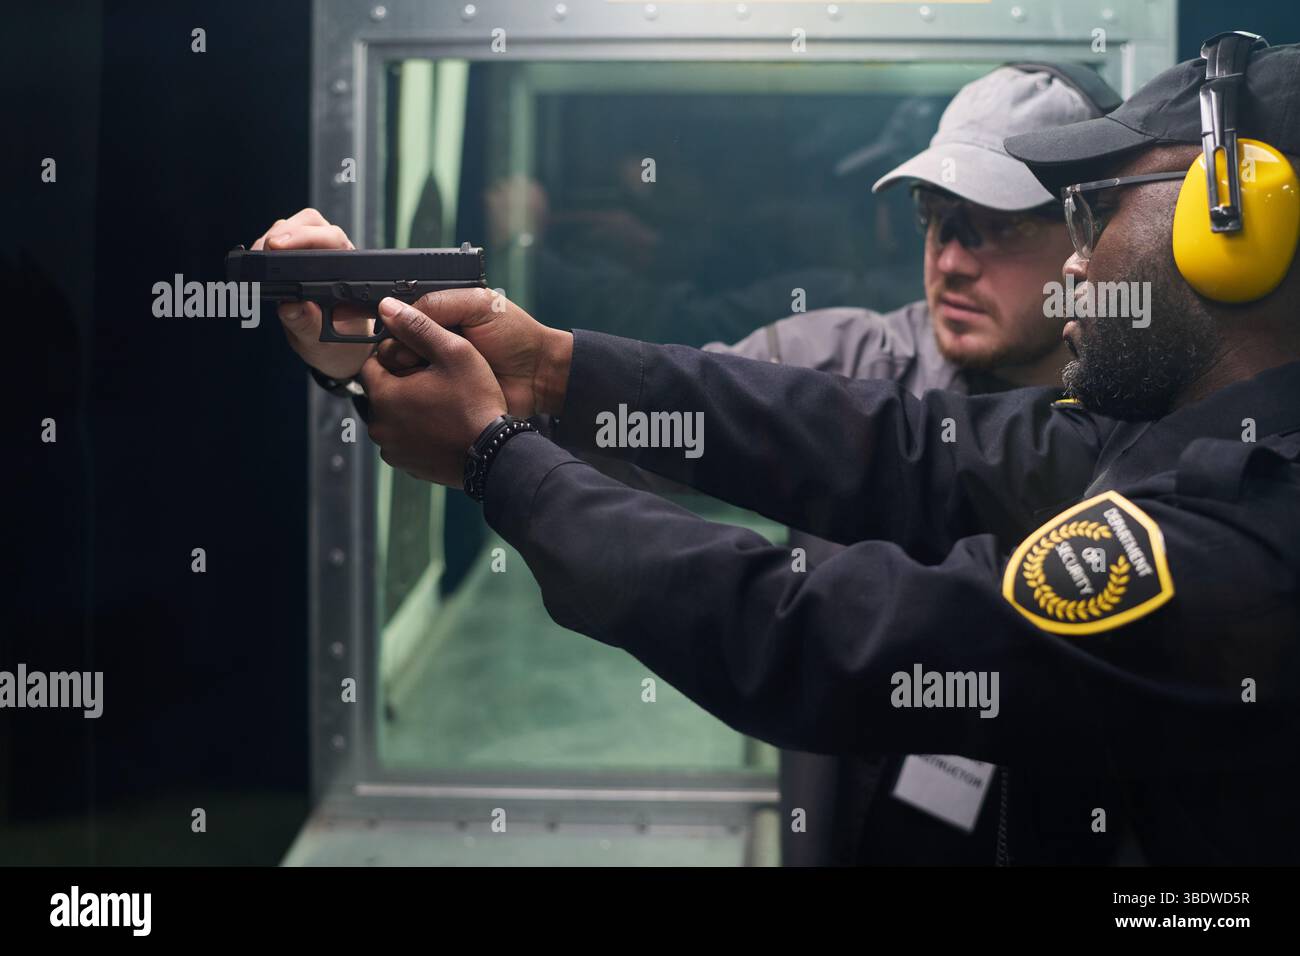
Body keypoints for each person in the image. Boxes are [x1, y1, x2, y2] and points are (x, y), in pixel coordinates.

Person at [283, 36, 1300, 863]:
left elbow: (818, 633)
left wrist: (494, 459)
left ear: (1235, 223)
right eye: (933, 223)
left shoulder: (1234, 539)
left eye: (1091, 210)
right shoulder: (1160, 438)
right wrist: (540, 368)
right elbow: (899, 446)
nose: (1082, 258)